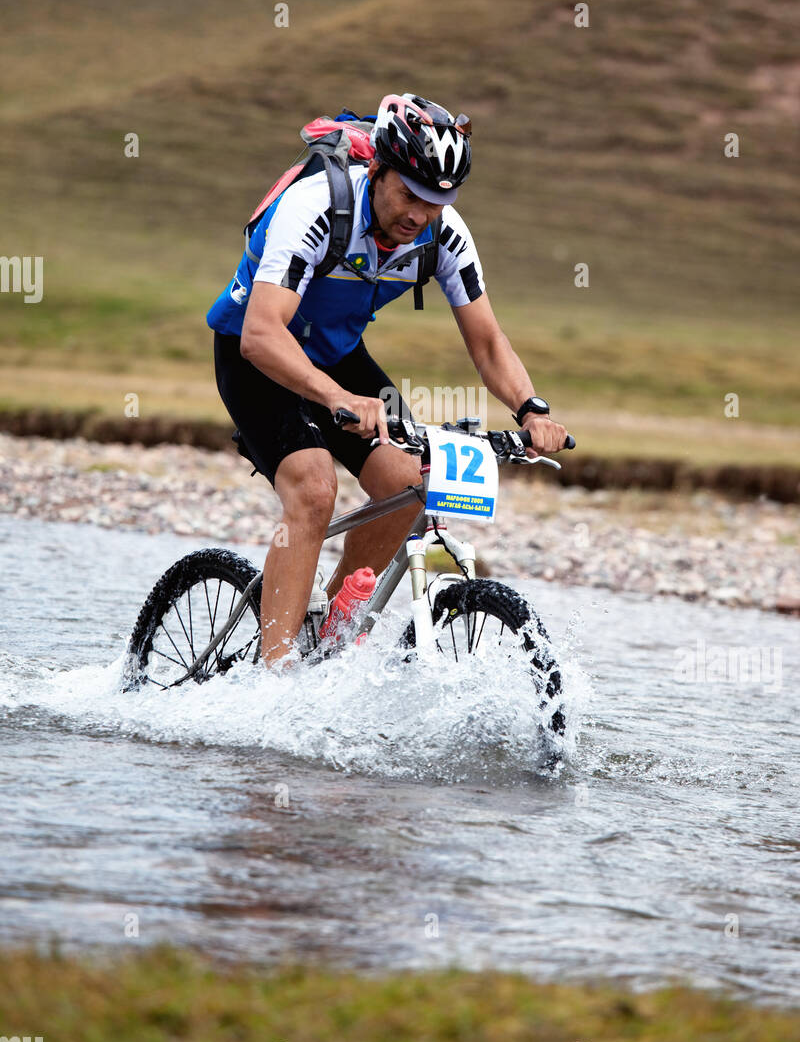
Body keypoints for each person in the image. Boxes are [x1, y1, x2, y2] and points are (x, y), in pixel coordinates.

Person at [206, 92, 569, 663]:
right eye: (409, 194)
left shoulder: (443, 235)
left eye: (436, 202)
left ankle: (328, 639)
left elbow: (488, 341)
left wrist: (531, 408)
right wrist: (336, 397)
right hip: (258, 354)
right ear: (376, 170)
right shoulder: (318, 206)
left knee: (410, 487)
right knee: (312, 487)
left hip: (337, 354)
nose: (419, 215)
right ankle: (272, 675)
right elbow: (261, 333)